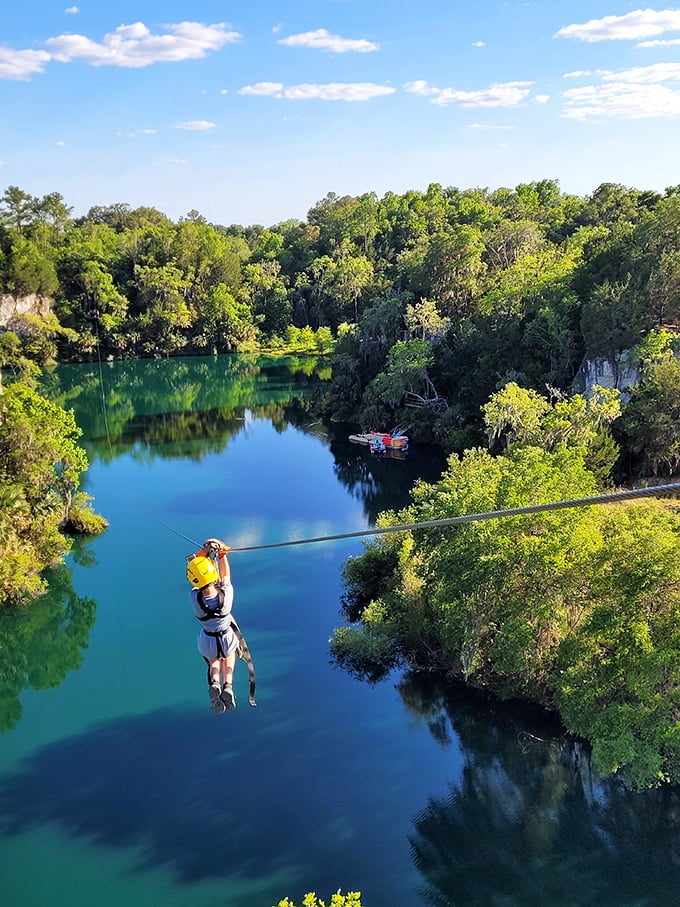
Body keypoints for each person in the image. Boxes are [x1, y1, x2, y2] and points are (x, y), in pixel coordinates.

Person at [186, 538, 239, 713]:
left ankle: (215, 682)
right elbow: (225, 576)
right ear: (212, 573)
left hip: (207, 640)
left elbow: (195, 570)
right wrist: (222, 553)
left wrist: (205, 550)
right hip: (226, 636)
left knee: (214, 661)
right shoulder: (226, 594)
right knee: (229, 655)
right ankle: (228, 685)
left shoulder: (195, 598)